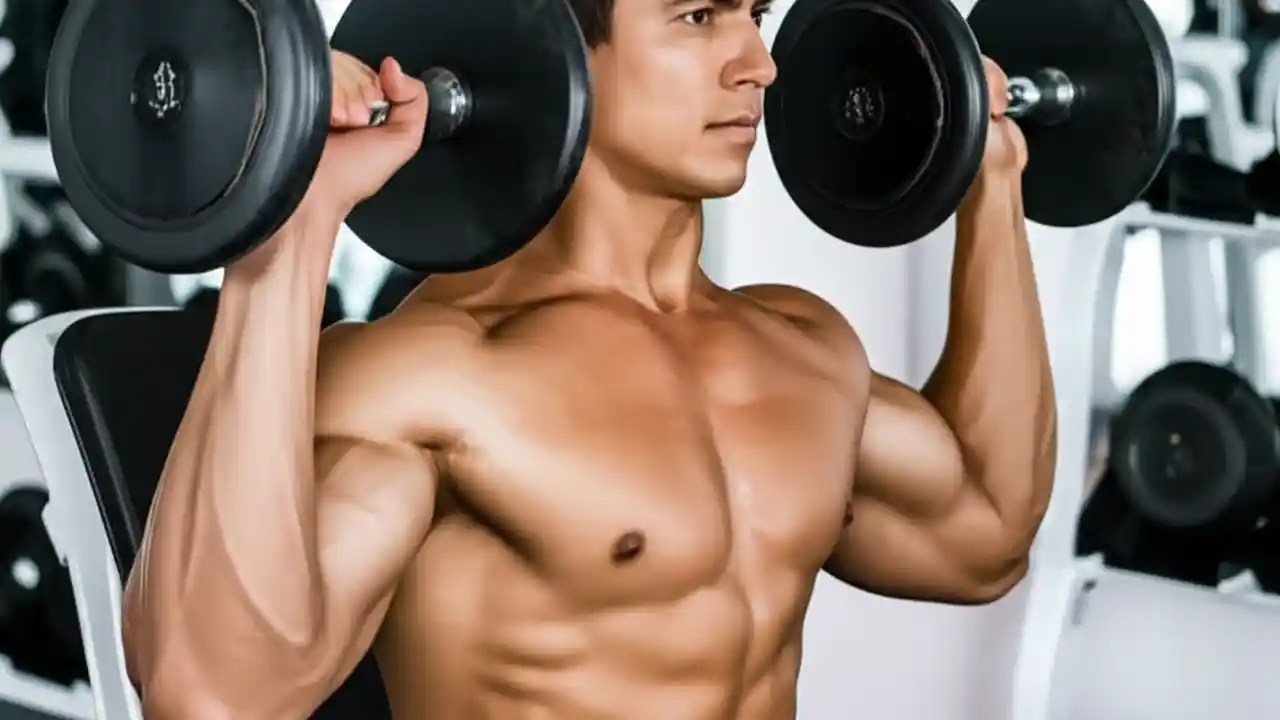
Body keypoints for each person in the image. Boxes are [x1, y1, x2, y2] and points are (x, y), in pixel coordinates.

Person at [120, 0, 1057, 717]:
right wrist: (289, 232)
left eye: (756, 15)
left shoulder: (800, 349)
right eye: (698, 17)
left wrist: (991, 175)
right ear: (555, 46)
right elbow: (215, 694)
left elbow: (982, 535)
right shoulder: (440, 381)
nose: (761, 65)